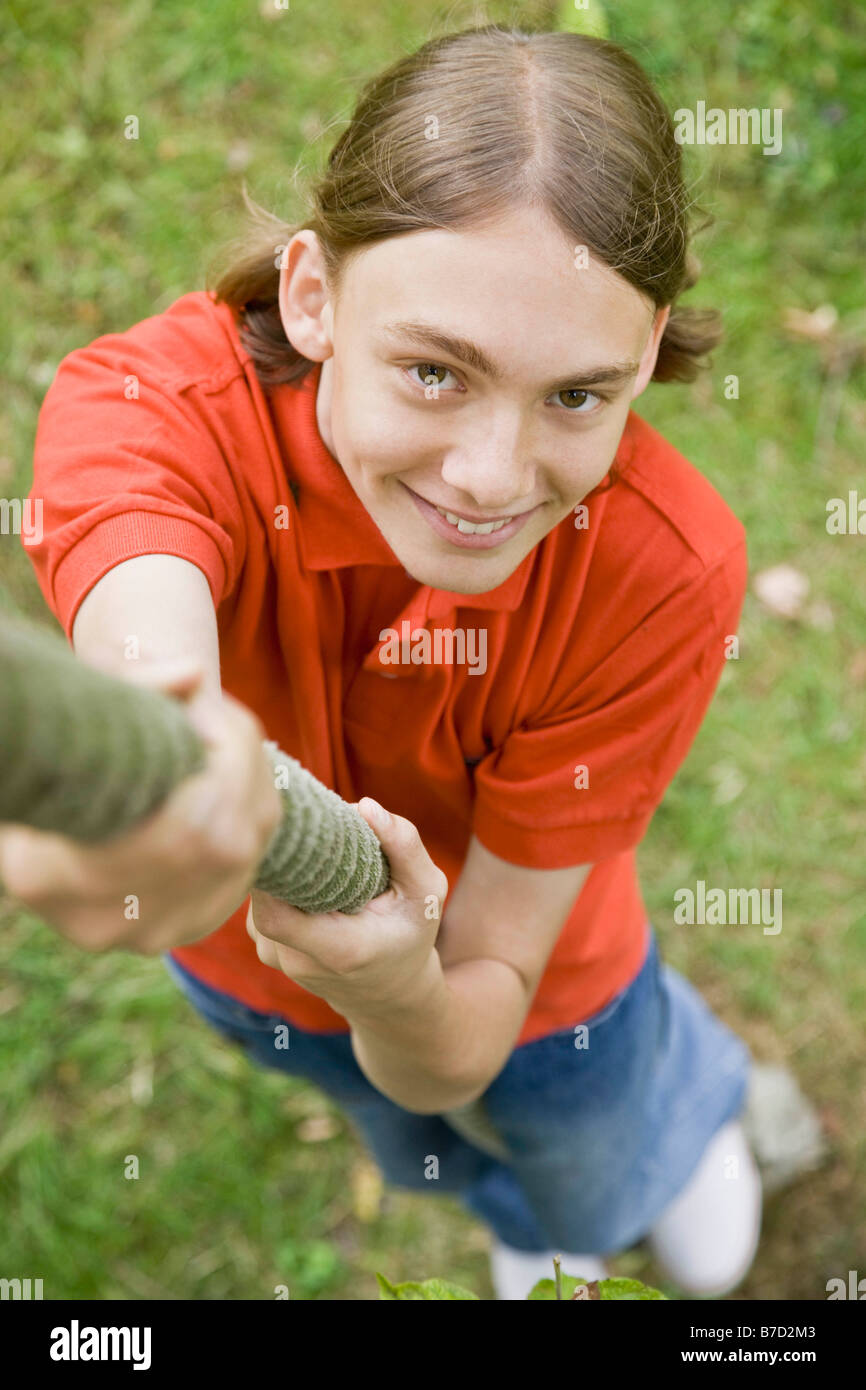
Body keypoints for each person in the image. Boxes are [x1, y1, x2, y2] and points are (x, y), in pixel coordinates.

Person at [5, 25, 761, 1298]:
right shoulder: (154, 415)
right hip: (273, 990)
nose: (488, 475)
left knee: (590, 1148)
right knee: (410, 1133)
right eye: (433, 370)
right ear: (312, 296)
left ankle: (643, 1172)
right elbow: (148, 637)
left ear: (643, 359)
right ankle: (510, 1207)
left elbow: (481, 1001)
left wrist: (409, 990)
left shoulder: (660, 569)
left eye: (575, 395)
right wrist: (162, 768)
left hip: (544, 998)